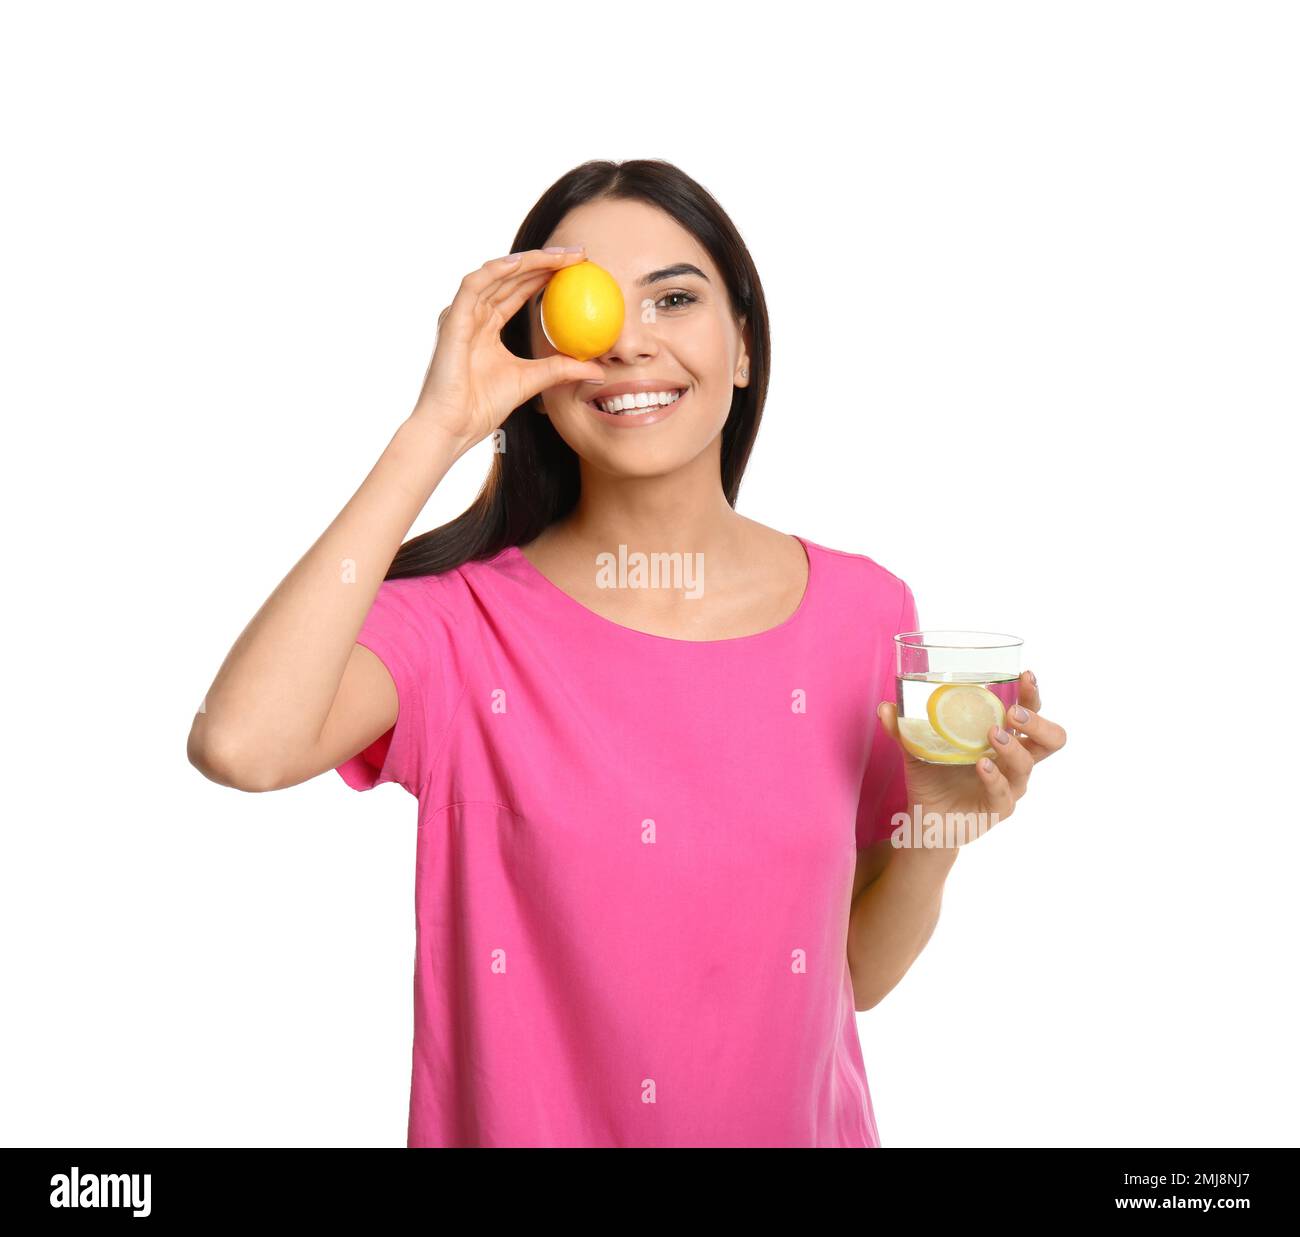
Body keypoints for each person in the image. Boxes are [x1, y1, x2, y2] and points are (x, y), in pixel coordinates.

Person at [187, 158, 1067, 1148]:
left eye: (675, 298)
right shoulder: (458, 629)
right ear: (536, 370)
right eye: (587, 311)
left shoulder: (865, 612)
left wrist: (935, 833)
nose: (629, 344)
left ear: (742, 344)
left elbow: (847, 978)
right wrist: (438, 425)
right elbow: (242, 746)